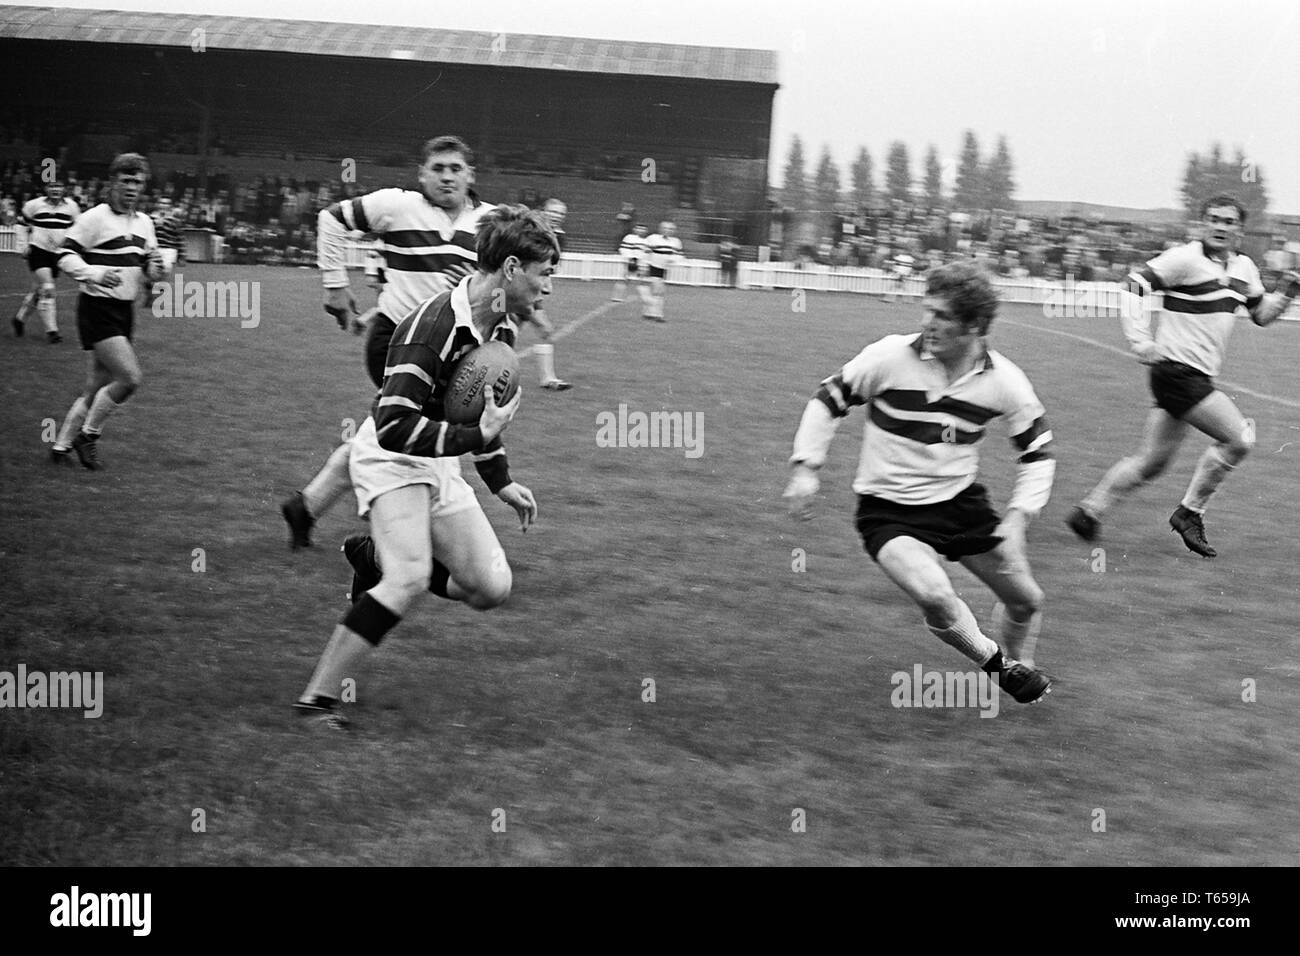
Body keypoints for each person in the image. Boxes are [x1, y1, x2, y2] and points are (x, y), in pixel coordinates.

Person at [294, 205, 558, 730]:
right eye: (543, 274)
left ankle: (371, 557)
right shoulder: (431, 328)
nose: (548, 289)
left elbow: (481, 417)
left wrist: (501, 481)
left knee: (491, 587)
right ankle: (315, 702)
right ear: (510, 269)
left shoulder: (502, 327)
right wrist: (471, 437)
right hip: (390, 459)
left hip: (436, 459)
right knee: (410, 578)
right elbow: (393, 427)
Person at [784, 261, 1056, 703]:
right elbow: (828, 399)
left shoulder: (1004, 381)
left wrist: (1020, 516)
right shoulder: (889, 357)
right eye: (927, 309)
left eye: (942, 315)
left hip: (959, 504)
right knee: (934, 594)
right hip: (888, 511)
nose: (927, 322)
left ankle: (1016, 668)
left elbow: (1038, 452)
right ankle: (997, 665)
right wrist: (805, 468)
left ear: (974, 327)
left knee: (1025, 601)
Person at [279, 135, 543, 548]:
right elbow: (332, 218)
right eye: (437, 169)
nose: (447, 177)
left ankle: (308, 507)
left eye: (456, 168)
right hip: (398, 342)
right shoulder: (398, 206)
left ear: (470, 175)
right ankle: (409, 552)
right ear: (422, 174)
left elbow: (513, 283)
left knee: (384, 431)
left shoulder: (492, 222)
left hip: (457, 350)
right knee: (416, 430)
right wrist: (333, 284)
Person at [1067, 196, 1300, 557]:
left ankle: (1089, 512)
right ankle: (1189, 513)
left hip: (1192, 377)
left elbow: (1262, 315)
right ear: (1202, 223)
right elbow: (1132, 286)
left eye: (1228, 221)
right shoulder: (1184, 259)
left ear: (1240, 229)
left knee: (1152, 462)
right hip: (1176, 373)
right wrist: (1140, 341)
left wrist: (1288, 290)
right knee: (1239, 440)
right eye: (1213, 220)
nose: (1220, 227)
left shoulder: (1245, 268)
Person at [50, 154, 166, 469]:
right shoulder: (94, 218)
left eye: (137, 182)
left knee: (96, 385)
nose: (131, 188)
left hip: (123, 310)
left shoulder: (144, 222)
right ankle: (87, 436)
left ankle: (59, 447)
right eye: (126, 181)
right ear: (112, 182)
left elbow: (147, 265)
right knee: (129, 378)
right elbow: (63, 256)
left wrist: (155, 273)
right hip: (97, 309)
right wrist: (96, 274)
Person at [13, 178, 81, 343]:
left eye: (58, 186)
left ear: (64, 188)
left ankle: (19, 319)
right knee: (49, 287)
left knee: (39, 290)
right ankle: (53, 332)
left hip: (57, 254)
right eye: (52, 186)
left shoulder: (72, 207)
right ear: (46, 188)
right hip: (38, 251)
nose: (55, 190)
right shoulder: (34, 205)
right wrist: (22, 246)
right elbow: (21, 224)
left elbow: (78, 228)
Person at [532, 197, 571, 390]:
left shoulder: (560, 236)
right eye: (553, 211)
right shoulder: (530, 230)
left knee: (545, 330)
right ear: (544, 211)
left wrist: (545, 283)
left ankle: (548, 379)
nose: (557, 216)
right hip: (515, 288)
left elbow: (551, 265)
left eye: (561, 213)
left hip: (532, 290)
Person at [642, 220, 683, 322]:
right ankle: (658, 315)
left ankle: (648, 313)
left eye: (671, 229)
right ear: (660, 229)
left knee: (657, 291)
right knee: (658, 291)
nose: (668, 230)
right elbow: (644, 253)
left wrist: (673, 260)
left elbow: (679, 255)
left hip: (664, 268)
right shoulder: (652, 238)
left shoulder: (676, 242)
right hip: (652, 266)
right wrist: (643, 265)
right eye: (665, 228)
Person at [612, 222, 648, 303]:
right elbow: (624, 249)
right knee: (624, 279)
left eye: (643, 229)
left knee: (642, 281)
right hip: (631, 260)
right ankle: (617, 296)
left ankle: (643, 297)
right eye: (639, 228)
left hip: (641, 262)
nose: (641, 230)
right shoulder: (630, 238)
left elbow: (646, 253)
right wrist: (630, 259)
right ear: (634, 229)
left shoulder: (646, 241)